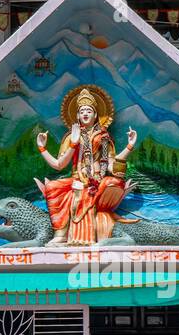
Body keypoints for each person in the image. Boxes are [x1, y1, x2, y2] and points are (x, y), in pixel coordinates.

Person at [34, 85, 139, 245]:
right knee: (52, 187)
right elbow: (59, 165)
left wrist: (129, 146)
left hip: (97, 180)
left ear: (96, 115)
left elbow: (111, 166)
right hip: (77, 179)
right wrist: (43, 147)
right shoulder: (70, 136)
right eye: (82, 111)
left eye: (89, 111)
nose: (85, 113)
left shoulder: (103, 136)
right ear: (77, 115)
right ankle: (60, 234)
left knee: (112, 183)